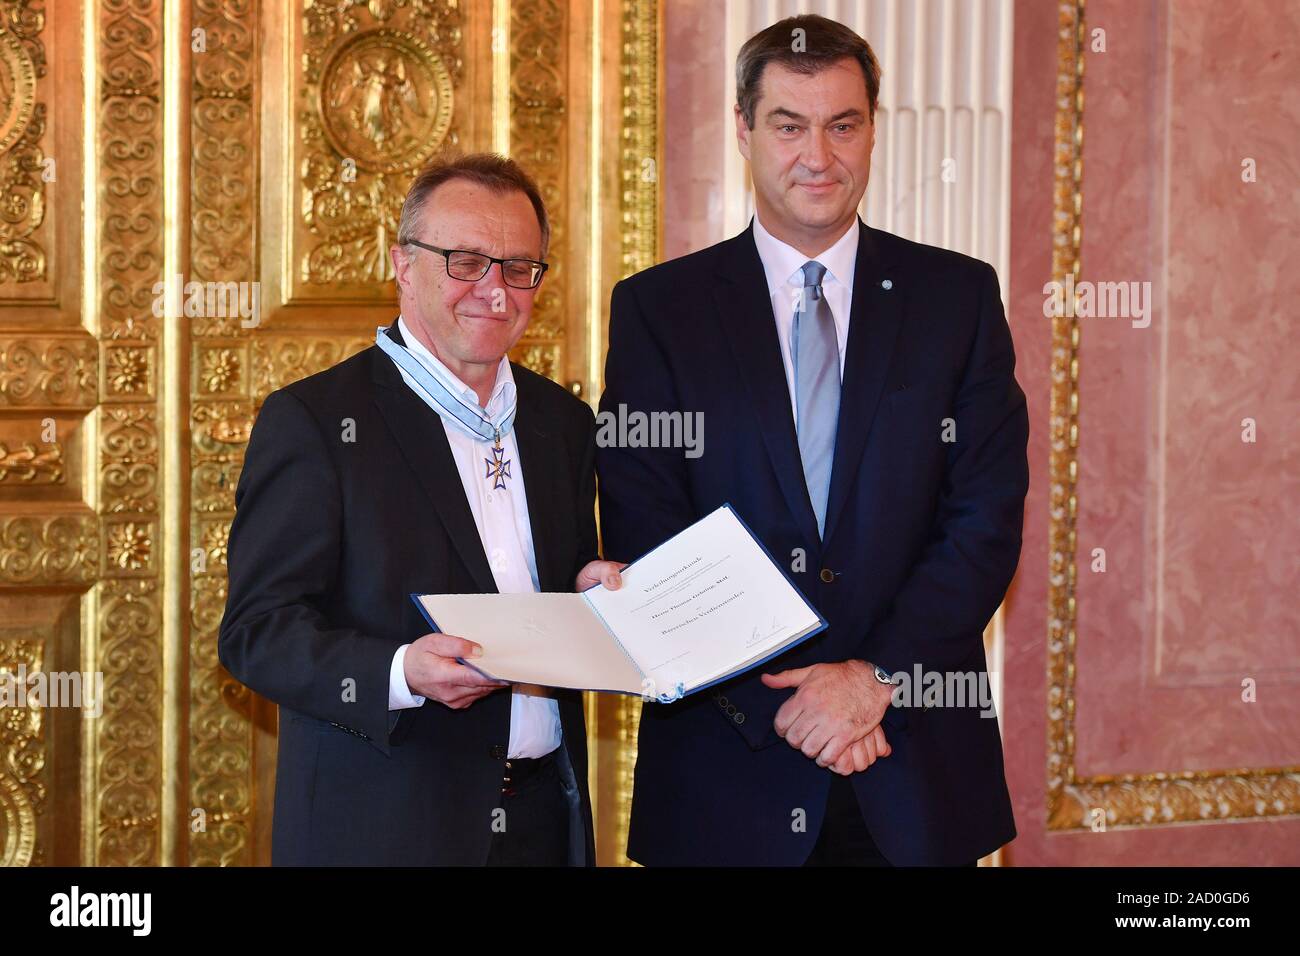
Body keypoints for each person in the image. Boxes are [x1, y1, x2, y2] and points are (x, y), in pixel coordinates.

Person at [597, 14, 1029, 866]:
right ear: (744, 129)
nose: (818, 157)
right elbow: (649, 531)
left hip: (912, 769)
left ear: (874, 128)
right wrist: (790, 709)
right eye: (789, 125)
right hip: (727, 771)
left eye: (843, 125)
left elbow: (984, 522)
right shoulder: (659, 310)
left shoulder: (958, 297)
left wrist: (870, 685)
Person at [219, 152, 622, 865]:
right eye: (465, 261)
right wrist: (402, 671)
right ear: (403, 265)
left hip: (544, 824)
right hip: (388, 828)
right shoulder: (315, 420)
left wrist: (590, 592)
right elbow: (257, 633)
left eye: (519, 267)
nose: (495, 290)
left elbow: (545, 599)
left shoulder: (562, 422)